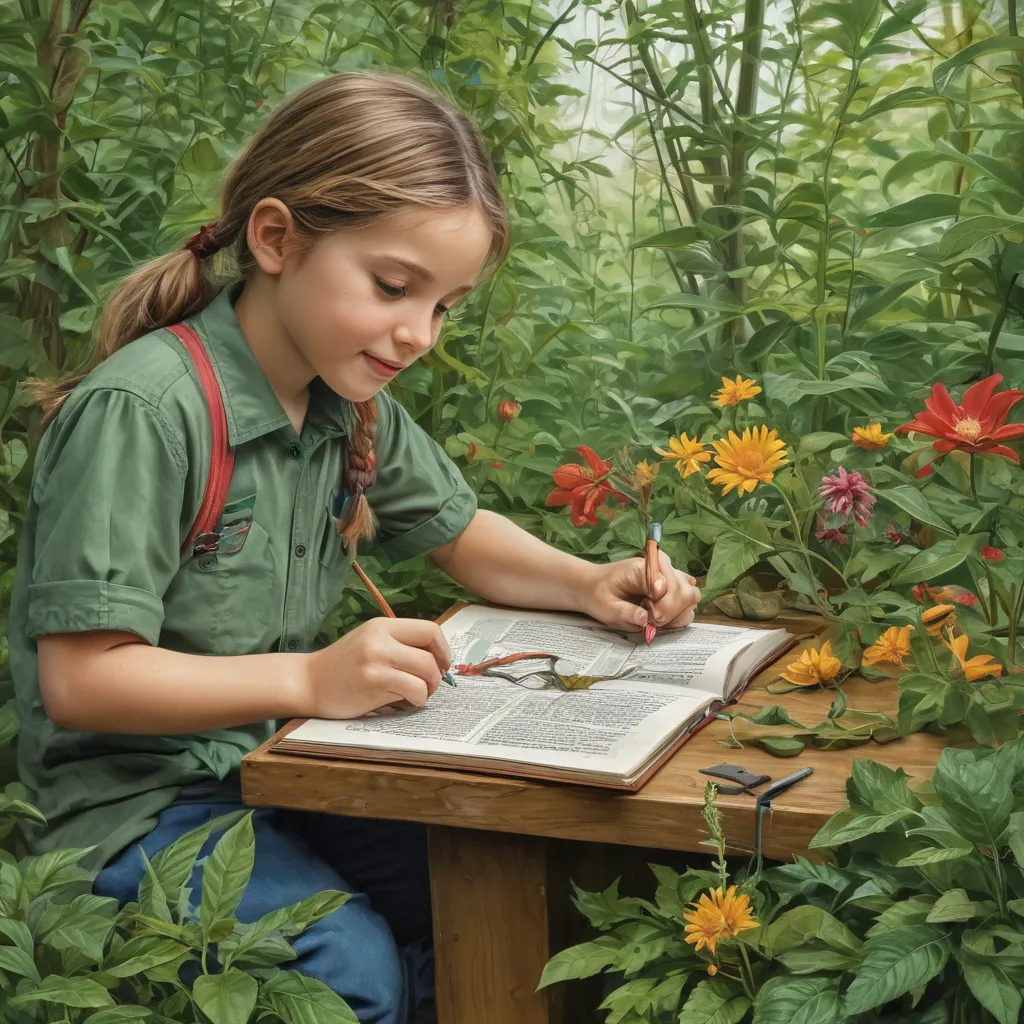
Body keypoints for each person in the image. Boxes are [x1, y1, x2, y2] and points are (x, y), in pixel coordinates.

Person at [10, 70, 702, 1024]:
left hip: (284, 770)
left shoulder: (344, 397)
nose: (417, 333)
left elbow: (462, 535)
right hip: (131, 814)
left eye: (445, 305)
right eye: (392, 287)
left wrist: (590, 583)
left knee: (520, 889)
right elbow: (84, 681)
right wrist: (308, 681)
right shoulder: (149, 412)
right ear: (277, 237)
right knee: (348, 970)